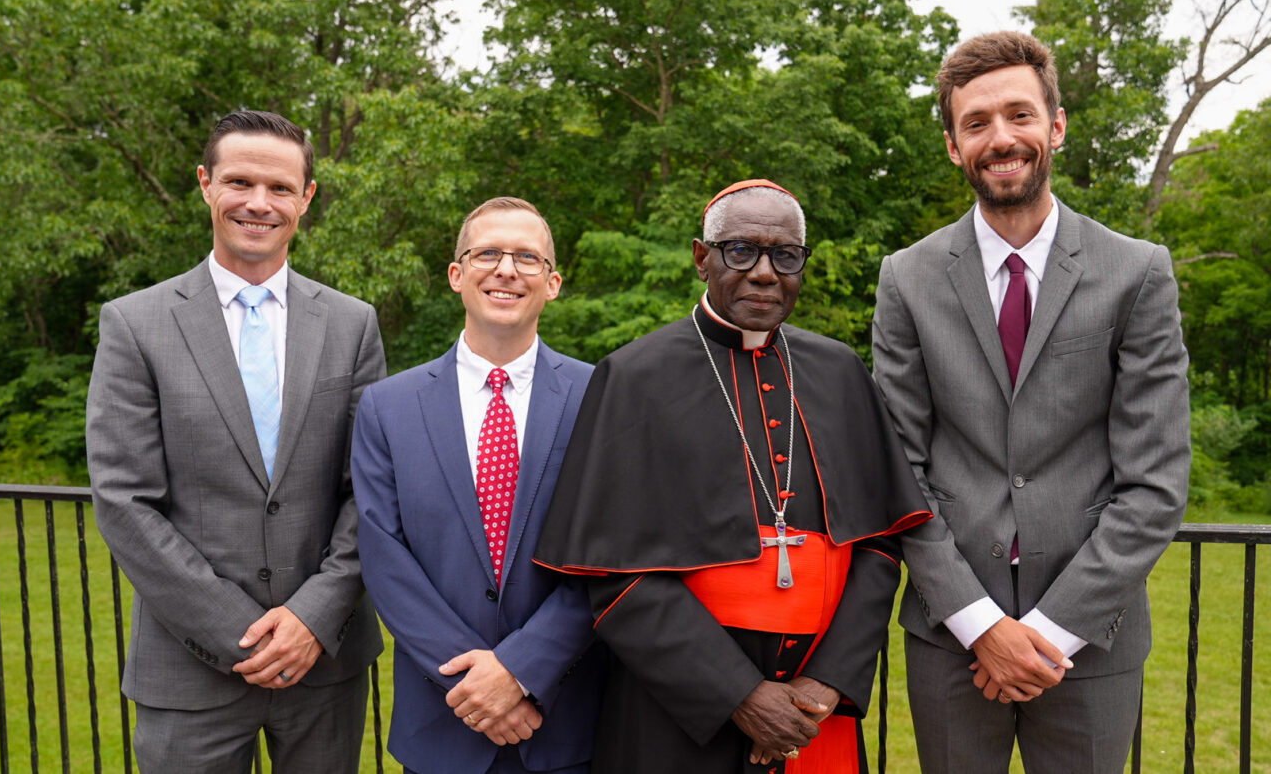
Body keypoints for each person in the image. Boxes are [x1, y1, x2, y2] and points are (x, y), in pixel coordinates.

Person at [871, 31, 1191, 774]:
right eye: (976, 122)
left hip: (1092, 639)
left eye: (1019, 114)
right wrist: (982, 625)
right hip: (952, 640)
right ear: (954, 145)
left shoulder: (1136, 273)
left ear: (1056, 124)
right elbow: (899, 469)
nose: (1000, 137)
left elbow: (1155, 481)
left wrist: (1048, 630)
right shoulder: (907, 279)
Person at [535, 179, 931, 774]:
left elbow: (878, 543)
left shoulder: (840, 371)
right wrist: (737, 694)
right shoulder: (633, 377)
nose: (765, 272)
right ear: (702, 257)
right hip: (676, 710)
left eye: (785, 255)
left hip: (815, 710)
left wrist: (830, 681)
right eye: (741, 250)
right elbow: (615, 576)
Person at [86, 109, 386, 772]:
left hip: (325, 663)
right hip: (188, 669)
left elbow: (370, 490)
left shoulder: (352, 325)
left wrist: (311, 618)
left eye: (280, 187)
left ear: (306, 198)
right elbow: (124, 501)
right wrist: (241, 632)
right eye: (240, 181)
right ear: (205, 184)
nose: (259, 202)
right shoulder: (135, 325)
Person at [351, 197, 606, 774]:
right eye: (488, 252)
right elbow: (384, 558)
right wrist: (479, 687)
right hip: (444, 720)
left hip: (564, 722)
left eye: (527, 257)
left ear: (553, 282)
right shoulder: (388, 407)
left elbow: (610, 554)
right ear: (456, 275)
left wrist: (521, 672)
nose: (507, 269)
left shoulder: (600, 398)